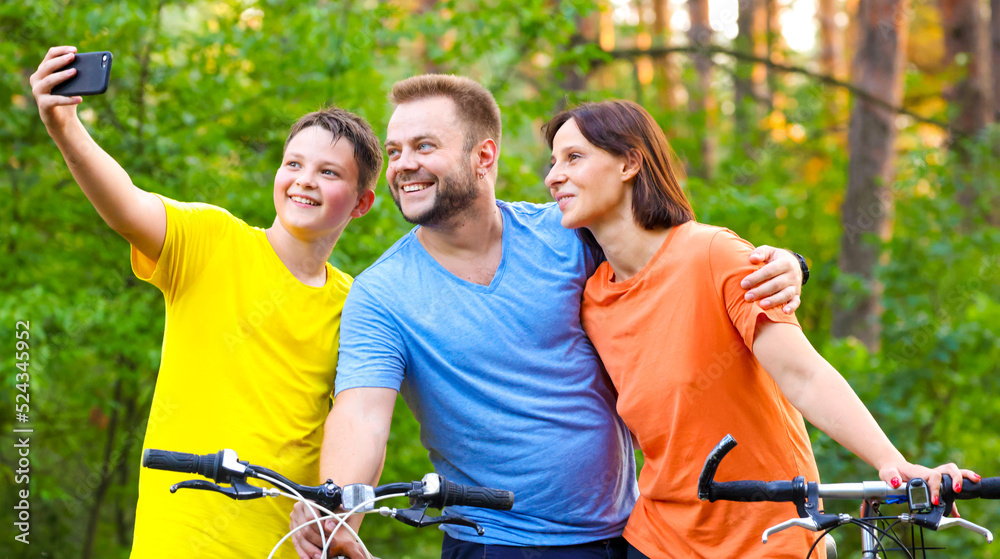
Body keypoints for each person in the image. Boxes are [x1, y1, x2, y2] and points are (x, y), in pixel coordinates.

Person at [289, 75, 806, 559]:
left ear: (483, 156)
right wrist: (338, 503)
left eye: (424, 146)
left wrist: (785, 264)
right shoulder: (382, 294)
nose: (403, 163)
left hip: (627, 533)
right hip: (494, 541)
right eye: (396, 150)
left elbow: (678, 265)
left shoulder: (568, 237)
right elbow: (361, 414)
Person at [541, 99, 980, 558]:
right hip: (657, 539)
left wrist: (891, 461)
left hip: (767, 536)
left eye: (574, 157)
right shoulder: (593, 298)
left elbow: (803, 375)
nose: (554, 176)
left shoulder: (711, 255)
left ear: (630, 162)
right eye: (552, 162)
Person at [30, 46, 382, 558]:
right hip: (180, 539)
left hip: (284, 546)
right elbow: (126, 204)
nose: (305, 179)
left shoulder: (358, 305)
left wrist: (343, 513)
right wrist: (65, 127)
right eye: (294, 164)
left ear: (361, 203)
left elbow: (363, 424)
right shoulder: (212, 239)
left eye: (329, 173)